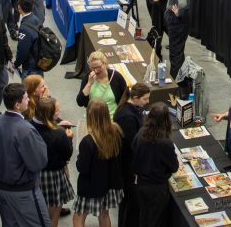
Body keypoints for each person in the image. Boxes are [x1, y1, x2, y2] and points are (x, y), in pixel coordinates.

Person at [0, 83, 50, 227]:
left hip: (2, 189)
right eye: (26, 98)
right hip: (23, 193)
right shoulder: (25, 129)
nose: (29, 100)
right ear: (17, 105)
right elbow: (38, 163)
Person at [73, 99, 124, 226]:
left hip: (90, 186)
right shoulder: (116, 131)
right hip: (108, 183)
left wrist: (79, 157)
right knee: (104, 214)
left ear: (90, 115)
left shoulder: (88, 141)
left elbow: (82, 168)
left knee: (78, 216)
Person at [131, 102, 180, 227]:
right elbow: (174, 167)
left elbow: (133, 148)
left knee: (144, 215)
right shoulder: (165, 142)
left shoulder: (142, 132)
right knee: (156, 220)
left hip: (141, 184)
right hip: (157, 188)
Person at [31, 96, 75, 227]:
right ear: (49, 114)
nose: (59, 113)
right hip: (53, 176)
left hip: (33, 174)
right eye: (56, 111)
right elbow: (67, 153)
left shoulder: (27, 126)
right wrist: (69, 139)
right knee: (53, 216)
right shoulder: (59, 134)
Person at [113, 84, 150, 227]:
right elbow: (132, 145)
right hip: (128, 167)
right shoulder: (126, 116)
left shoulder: (131, 109)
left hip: (129, 165)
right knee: (130, 203)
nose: (147, 102)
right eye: (145, 99)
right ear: (135, 98)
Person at [77, 50, 128, 116]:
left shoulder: (116, 77)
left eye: (98, 67)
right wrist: (89, 84)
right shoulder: (88, 78)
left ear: (105, 63)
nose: (96, 70)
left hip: (112, 118)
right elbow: (80, 102)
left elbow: (125, 98)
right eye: (92, 68)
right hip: (93, 118)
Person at [165, 0, 192, 72]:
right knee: (177, 50)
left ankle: (176, 79)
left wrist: (177, 13)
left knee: (175, 52)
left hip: (177, 22)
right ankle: (180, 75)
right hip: (178, 22)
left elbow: (183, 3)